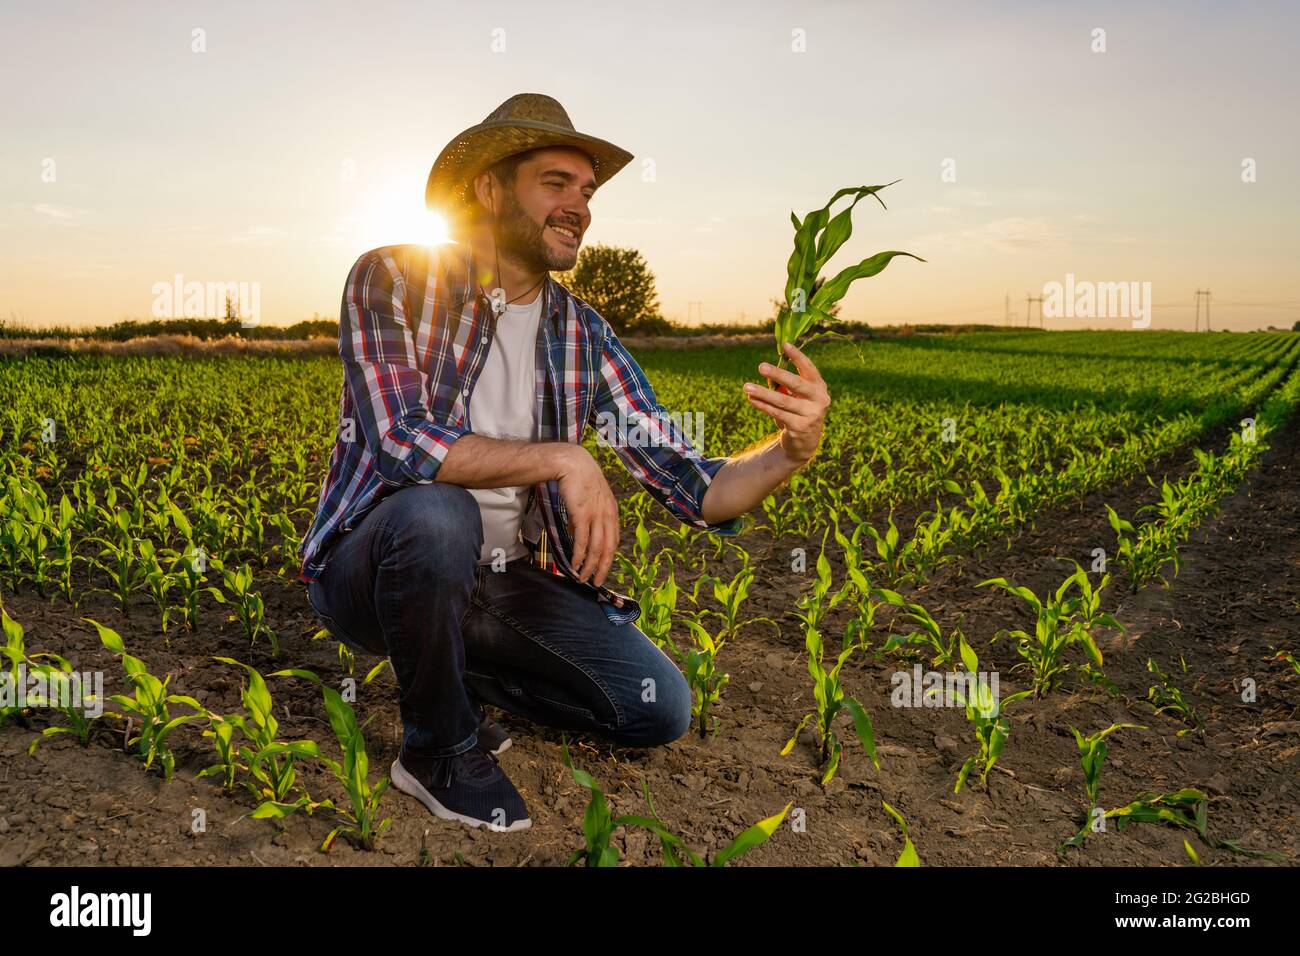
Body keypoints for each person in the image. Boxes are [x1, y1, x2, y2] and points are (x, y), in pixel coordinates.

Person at [297, 93, 831, 832]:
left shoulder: (583, 334)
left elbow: (693, 484)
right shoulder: (391, 277)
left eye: (586, 191)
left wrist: (790, 451)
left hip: (499, 584)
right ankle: (439, 749)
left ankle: (451, 667)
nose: (579, 205)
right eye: (556, 182)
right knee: (436, 510)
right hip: (375, 569)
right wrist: (564, 457)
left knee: (657, 707)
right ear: (488, 186)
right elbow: (400, 441)